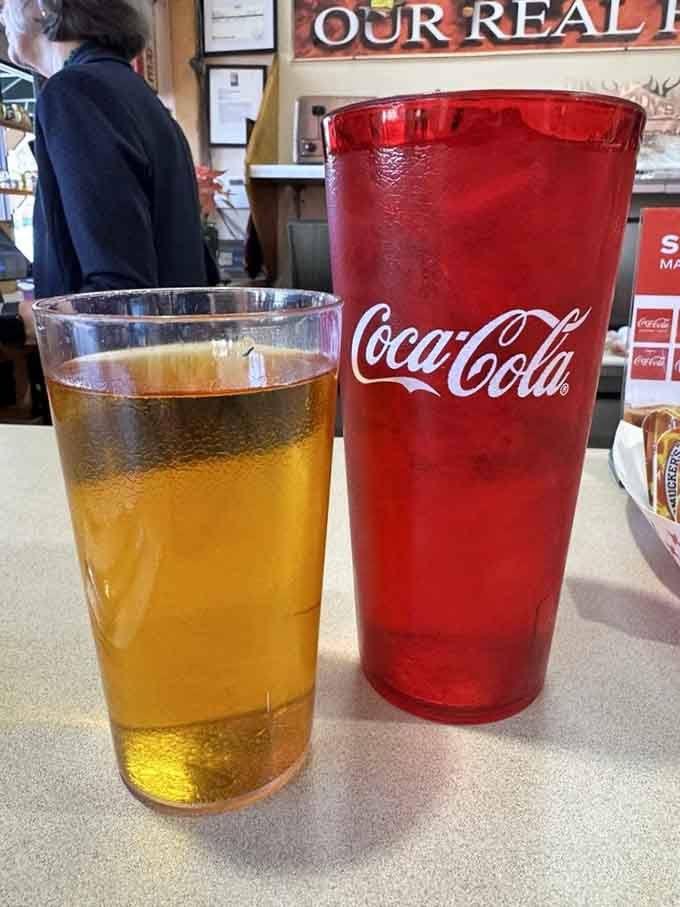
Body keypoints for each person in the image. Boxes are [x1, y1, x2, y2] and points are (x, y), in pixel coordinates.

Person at [0, 0, 209, 362]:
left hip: (123, 393)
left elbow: (116, 300)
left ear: (42, 6)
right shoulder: (139, 96)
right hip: (169, 374)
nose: (1, 11)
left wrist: (13, 322)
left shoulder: (74, 91)